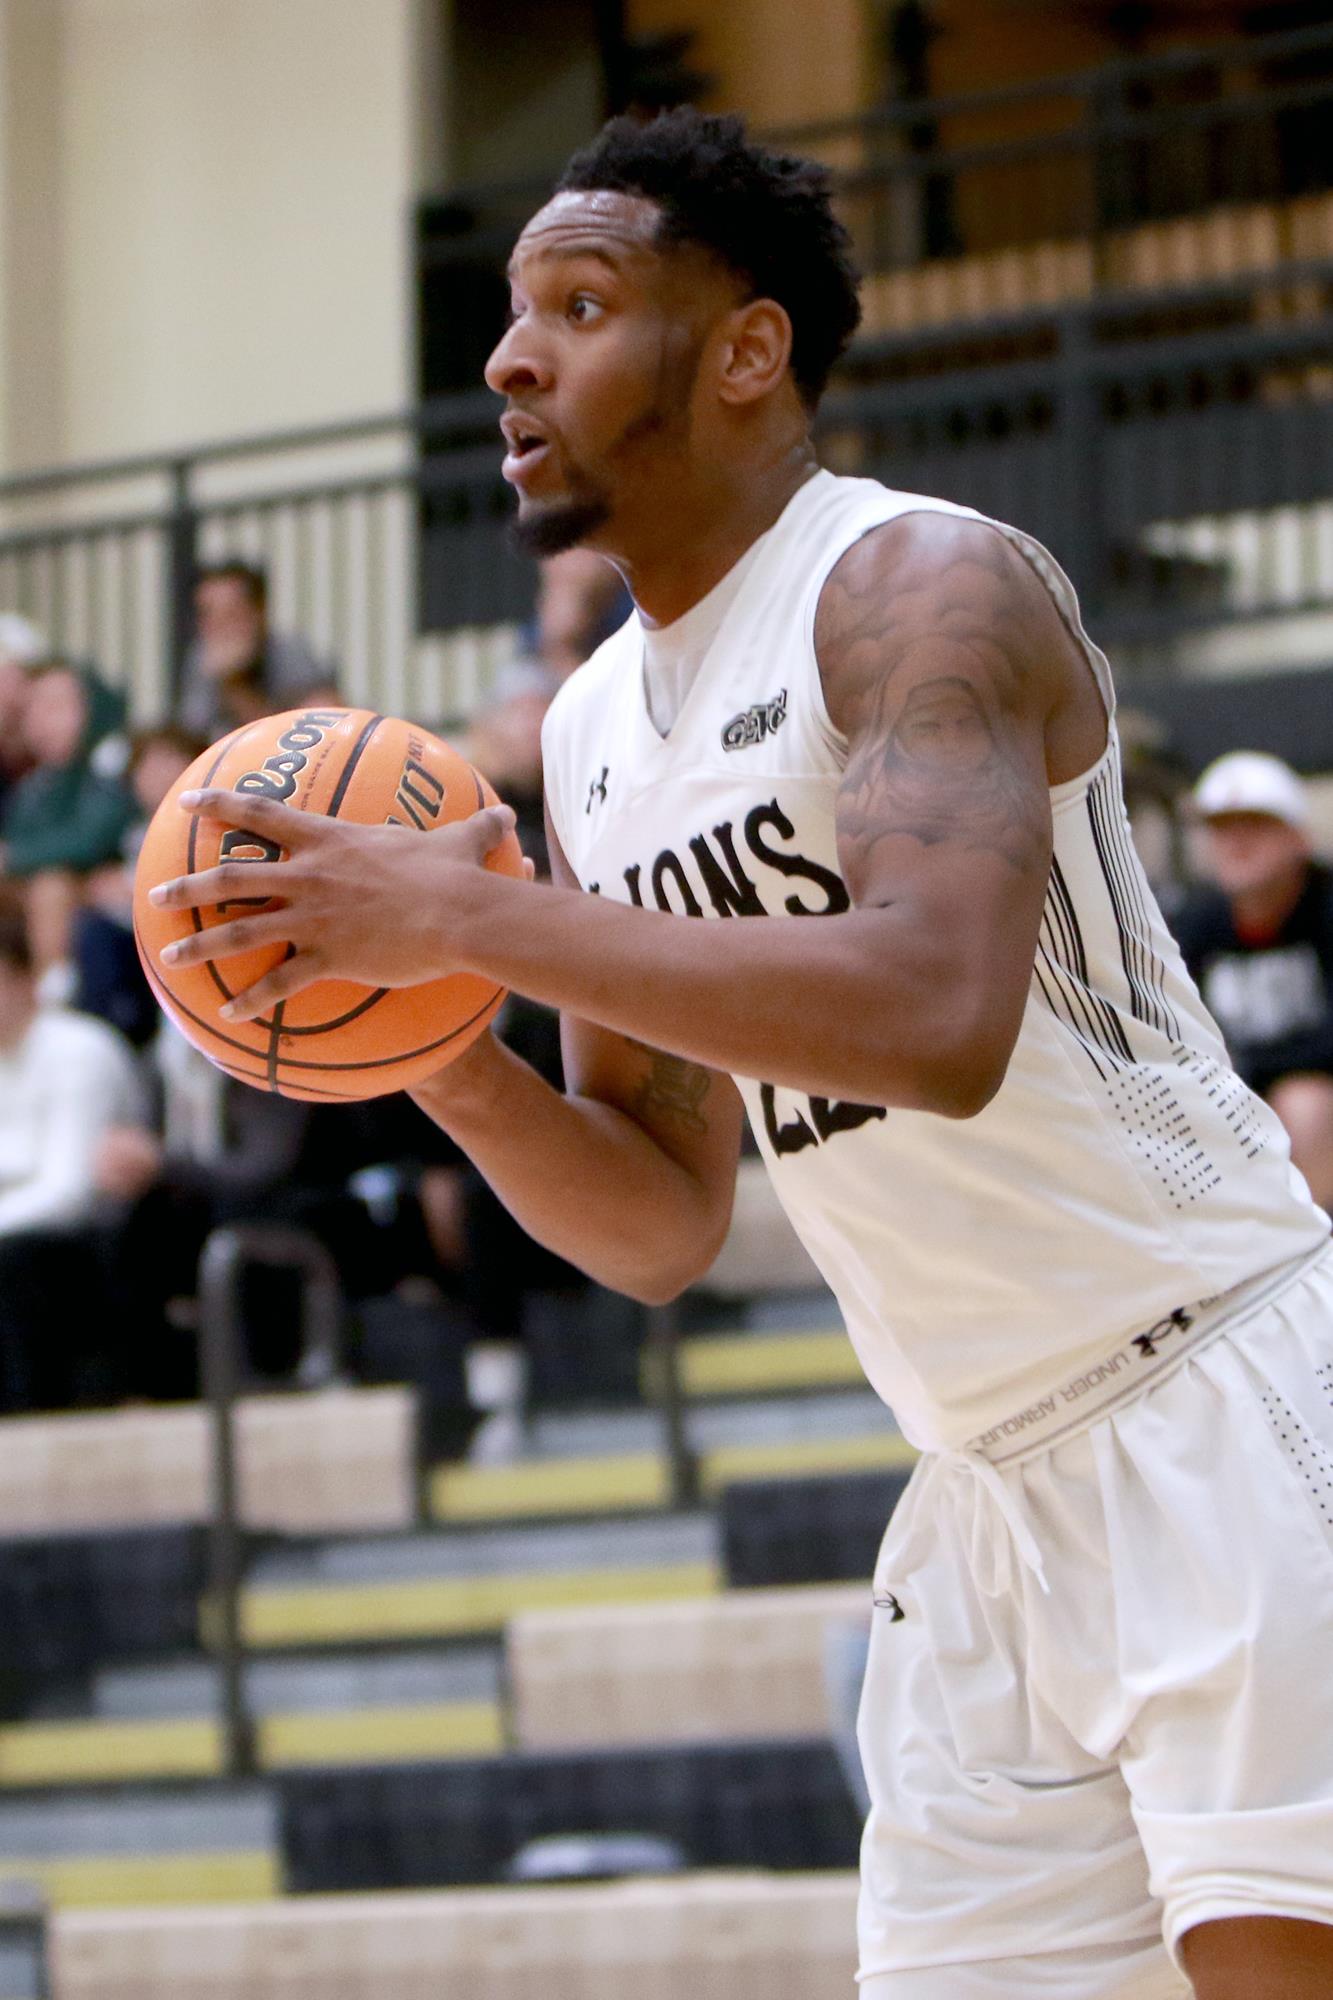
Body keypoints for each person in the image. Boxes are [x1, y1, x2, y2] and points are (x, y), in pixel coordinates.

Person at [149, 111, 1333, 1999]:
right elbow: (654, 1223)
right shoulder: (598, 731)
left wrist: (459, 919)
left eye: (580, 304)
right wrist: (425, 1042)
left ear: (743, 352)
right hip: (975, 1493)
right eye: (506, 315)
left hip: (1218, 1396)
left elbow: (934, 1022)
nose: (506, 359)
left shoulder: (921, 591)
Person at [0, 897, 148, 1410]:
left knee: (15, 1263)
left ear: (25, 978)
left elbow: (70, 1193)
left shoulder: (78, 1048)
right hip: (21, 1232)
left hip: (92, 1248)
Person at [1173, 751, 1333, 1212]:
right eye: (1221, 828)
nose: (1236, 843)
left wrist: (1253, 1067)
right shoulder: (1194, 926)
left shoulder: (1323, 909)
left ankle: (1315, 1254)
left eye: (1256, 826)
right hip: (1233, 1090)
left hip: (1309, 1094)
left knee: (1304, 1103)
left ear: (1298, 838)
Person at [177, 560, 335, 738]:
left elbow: (321, 734)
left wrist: (234, 686)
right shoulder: (201, 659)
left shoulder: (288, 652)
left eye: (231, 613)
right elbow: (192, 740)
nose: (219, 626)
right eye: (208, 614)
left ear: (258, 613)